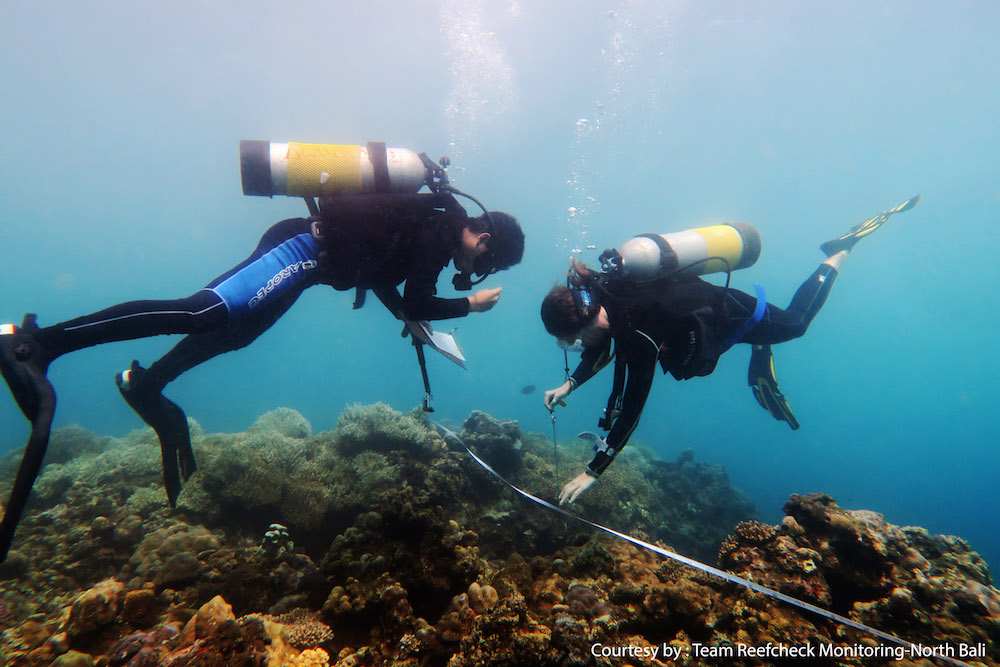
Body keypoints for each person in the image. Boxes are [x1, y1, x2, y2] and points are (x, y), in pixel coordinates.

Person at [0, 190, 524, 558]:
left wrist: (409, 319)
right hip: (301, 248)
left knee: (235, 333)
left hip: (311, 261)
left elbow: (390, 278)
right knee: (204, 312)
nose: (477, 272)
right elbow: (419, 295)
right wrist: (470, 305)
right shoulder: (438, 231)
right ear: (483, 237)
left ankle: (147, 384)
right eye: (487, 263)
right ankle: (37, 343)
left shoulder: (433, 225)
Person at [540, 197, 919, 506]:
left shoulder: (640, 331)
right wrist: (570, 385)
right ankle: (759, 342)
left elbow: (633, 408)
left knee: (795, 323)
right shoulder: (602, 292)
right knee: (761, 333)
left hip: (726, 313)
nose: (578, 347)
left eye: (574, 339)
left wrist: (593, 471)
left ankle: (838, 252)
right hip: (697, 326)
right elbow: (602, 346)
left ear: (585, 317)